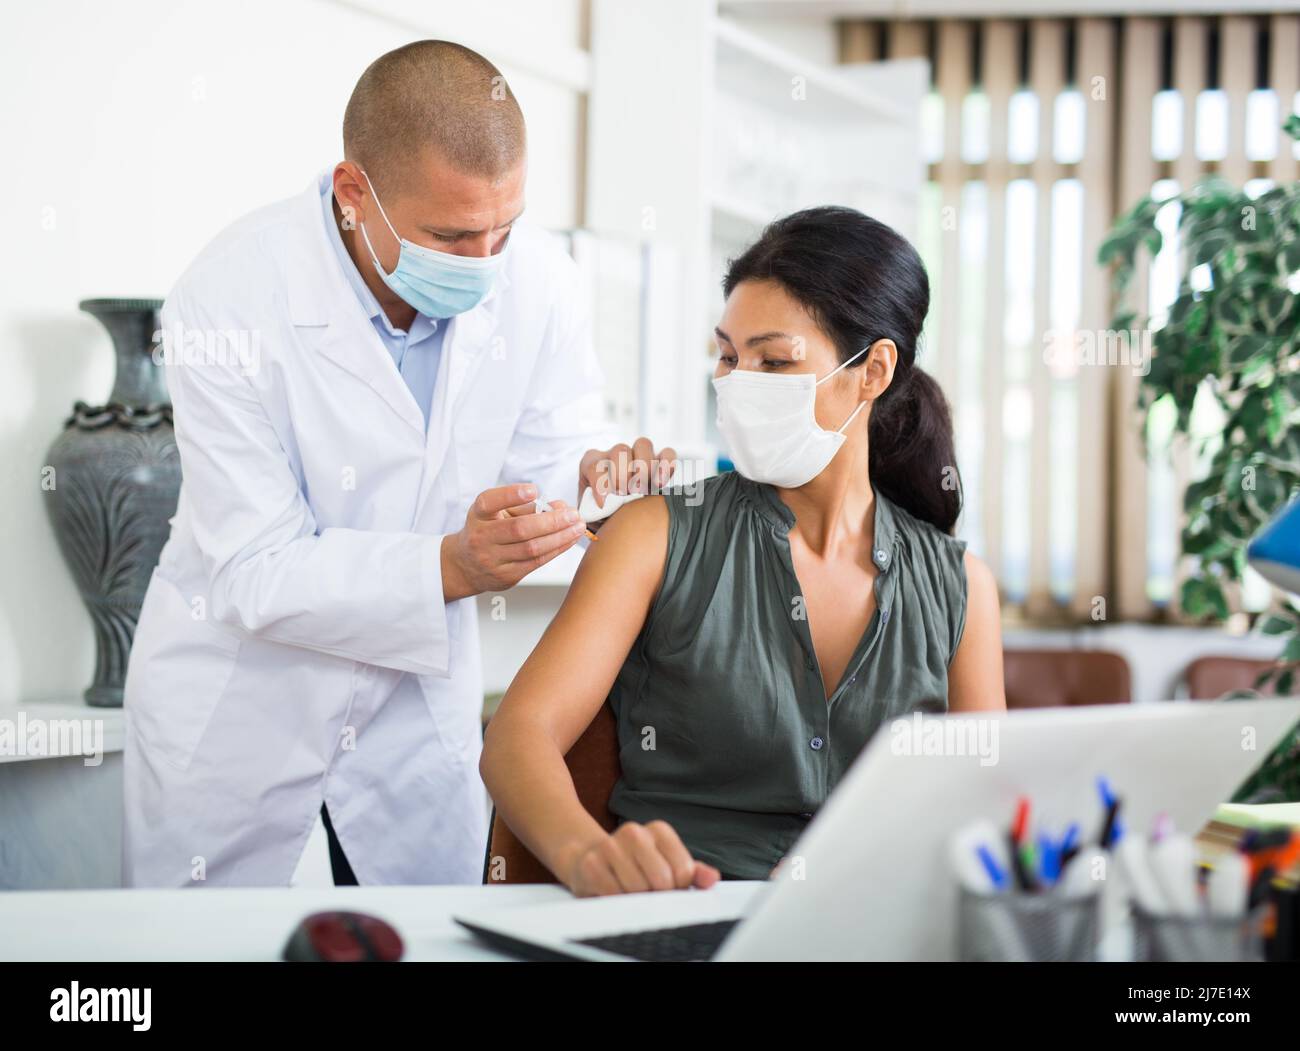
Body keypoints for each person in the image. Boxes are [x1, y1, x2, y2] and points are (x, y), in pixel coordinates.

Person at [123, 41, 672, 887]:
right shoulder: (227, 297)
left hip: (412, 715)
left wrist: (592, 486)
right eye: (451, 235)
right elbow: (253, 567)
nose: (485, 260)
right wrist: (450, 563)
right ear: (354, 193)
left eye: (506, 227)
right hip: (241, 707)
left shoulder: (540, 284)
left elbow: (544, 465)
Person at [481, 206, 1007, 896]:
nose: (736, 380)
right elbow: (519, 735)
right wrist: (585, 854)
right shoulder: (653, 536)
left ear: (874, 370)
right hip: (680, 912)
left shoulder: (959, 585)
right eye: (727, 355)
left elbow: (984, 803)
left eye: (775, 359)